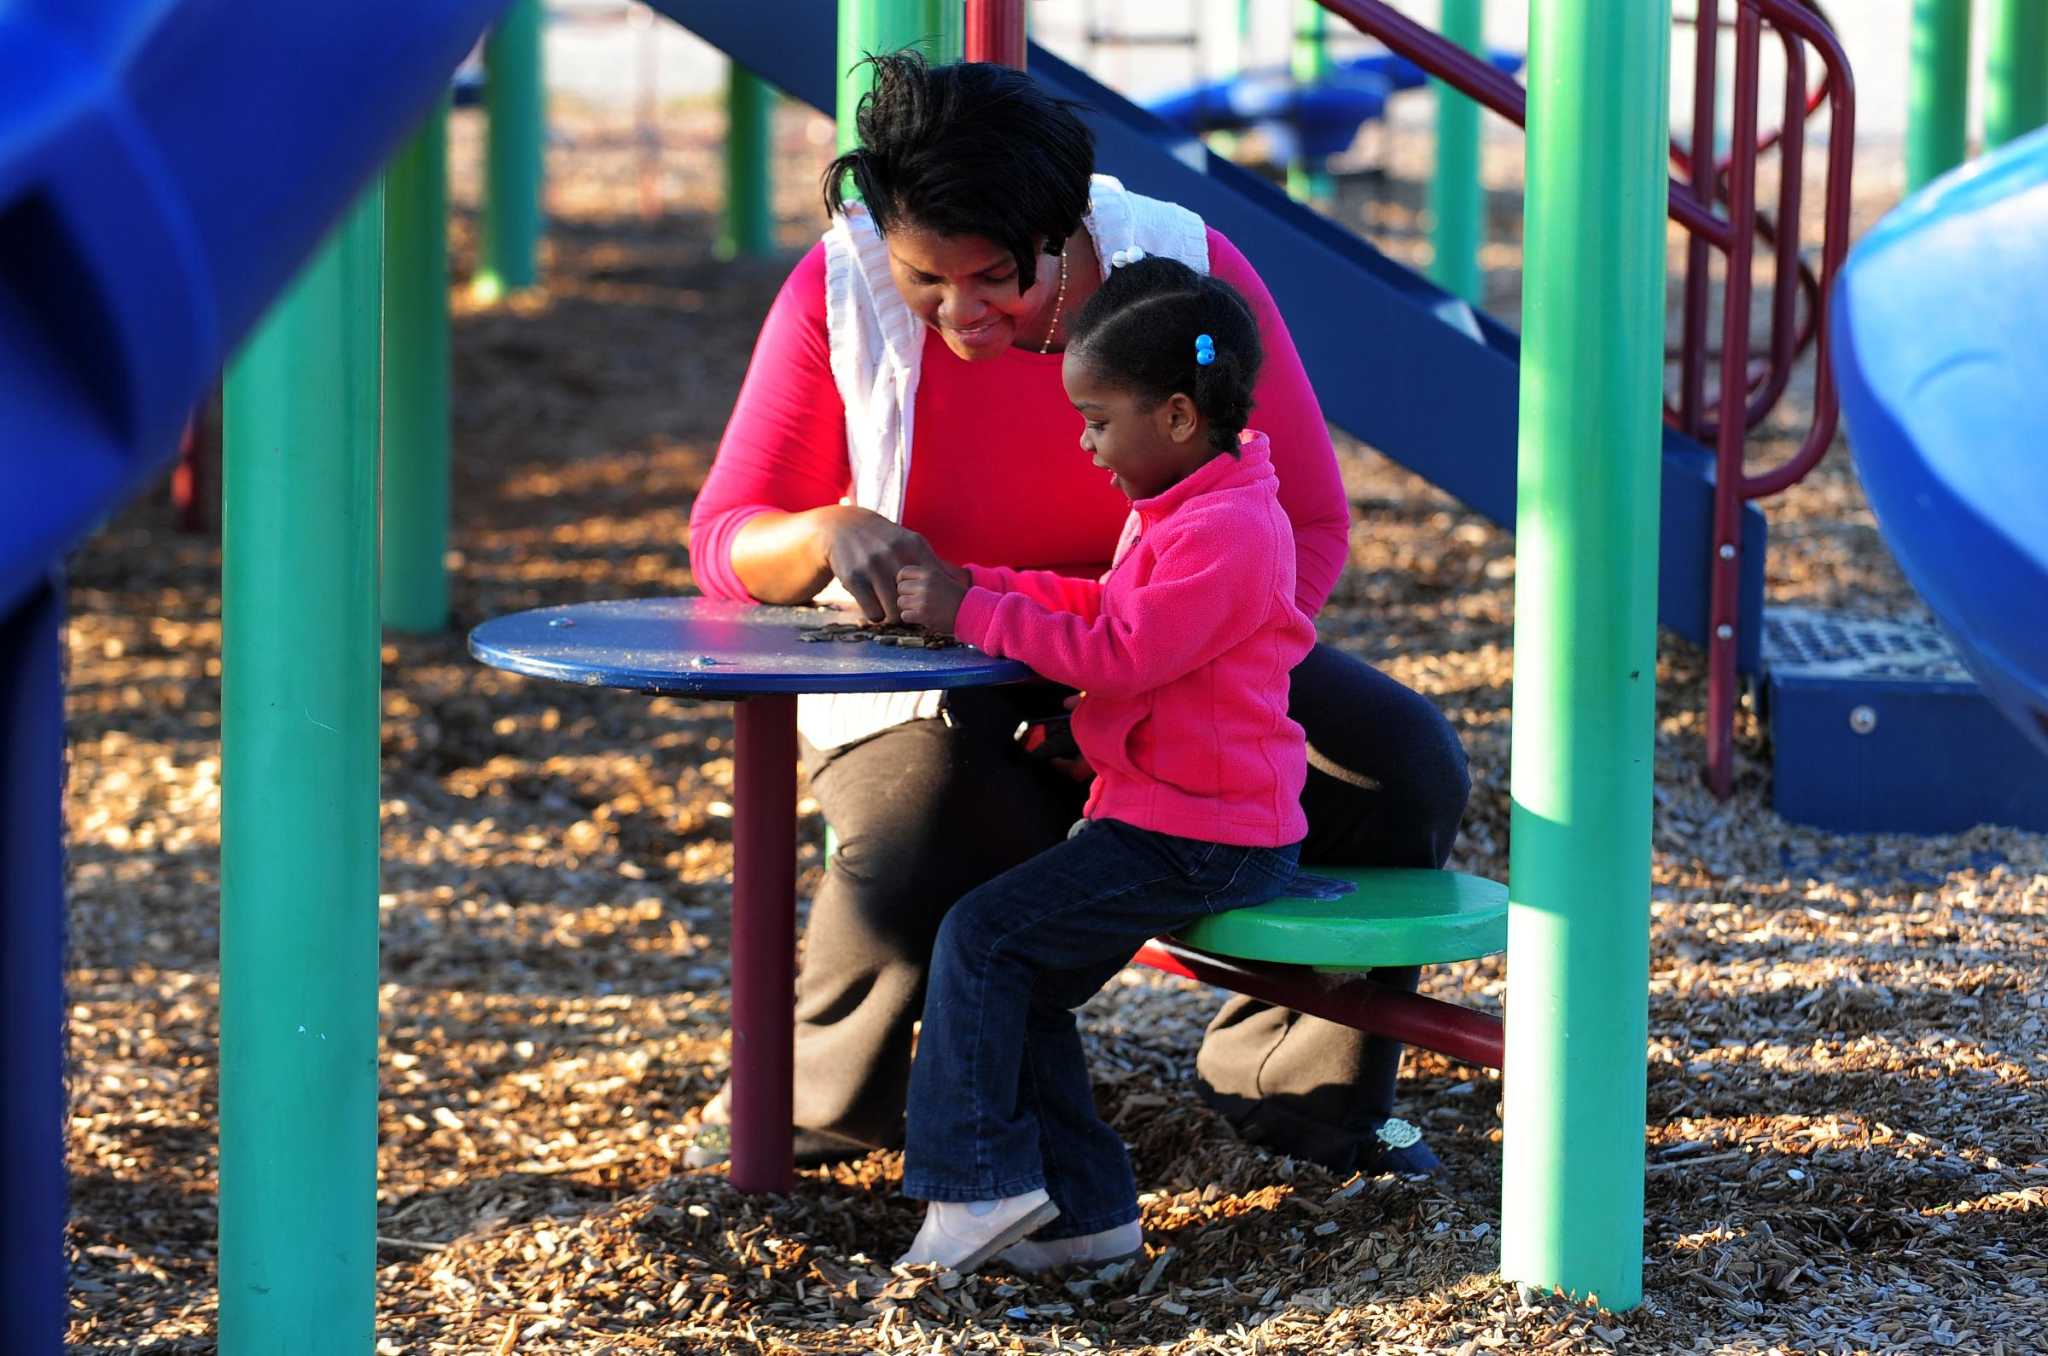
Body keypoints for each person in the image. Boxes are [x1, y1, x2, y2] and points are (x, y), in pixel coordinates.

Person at [685, 51, 1469, 1179]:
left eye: (994, 277)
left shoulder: (1186, 278)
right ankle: (832, 1101)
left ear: (1060, 232)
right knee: (933, 822)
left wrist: (1175, 683)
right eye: (924, 278)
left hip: (1173, 644)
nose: (960, 313)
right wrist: (821, 531)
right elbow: (723, 537)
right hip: (952, 659)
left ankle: (1297, 1091)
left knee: (1399, 767)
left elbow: (1306, 520)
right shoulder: (838, 288)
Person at [889, 255, 1346, 1272]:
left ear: (1177, 416)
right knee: (1021, 977)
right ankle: (1083, 1218)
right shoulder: (1188, 505)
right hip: (1166, 814)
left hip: (1206, 834)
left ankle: (976, 1185)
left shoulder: (1232, 529)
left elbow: (1122, 654)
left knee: (982, 938)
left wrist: (970, 612)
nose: (1085, 444)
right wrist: (975, 586)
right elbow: (1104, 606)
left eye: (1097, 421)